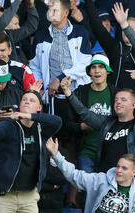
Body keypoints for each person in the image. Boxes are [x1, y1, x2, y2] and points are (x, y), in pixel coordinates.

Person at [60, 69, 135, 185]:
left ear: (133, 105)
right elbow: (85, 113)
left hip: (132, 183)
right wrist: (68, 92)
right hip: (106, 182)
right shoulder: (107, 122)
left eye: (123, 100)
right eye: (116, 100)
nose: (118, 102)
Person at [29, 0, 92, 141]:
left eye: (55, 10)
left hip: (78, 93)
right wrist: (40, 87)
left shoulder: (80, 32)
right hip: (52, 97)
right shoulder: (40, 35)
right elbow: (34, 66)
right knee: (55, 137)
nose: (51, 14)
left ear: (66, 13)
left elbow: (85, 64)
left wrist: (60, 78)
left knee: (79, 138)